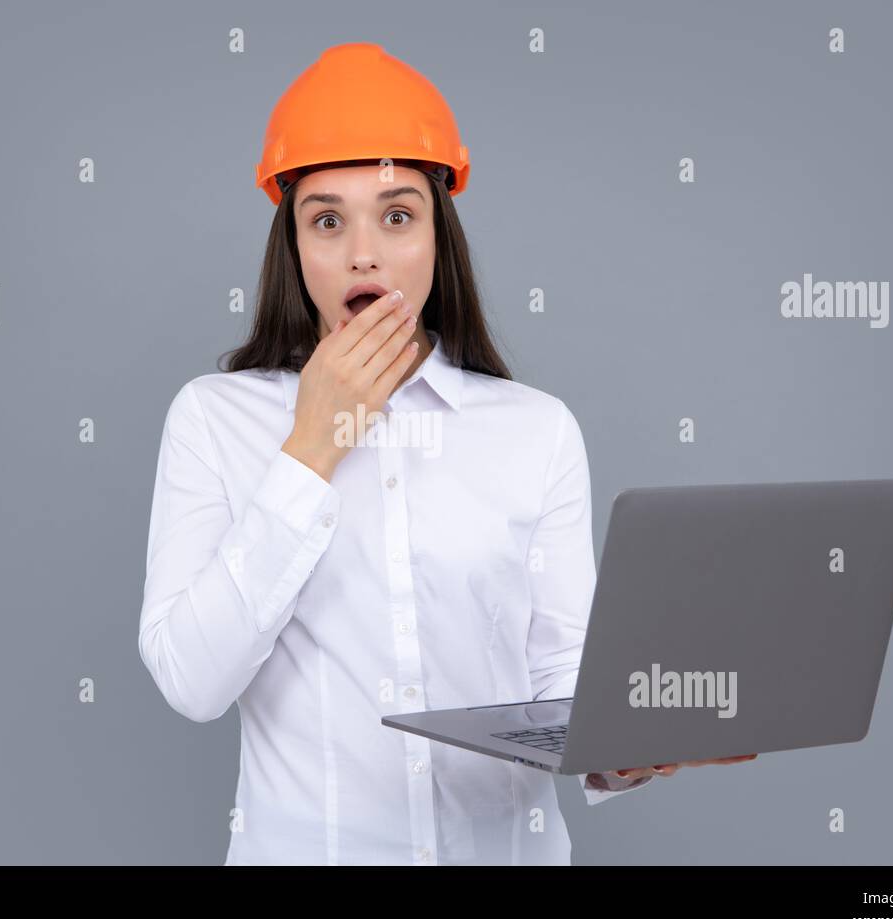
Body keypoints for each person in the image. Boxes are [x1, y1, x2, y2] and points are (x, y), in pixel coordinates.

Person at [138, 42, 754, 865]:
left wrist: (625, 749)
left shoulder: (535, 431)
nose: (364, 252)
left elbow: (562, 687)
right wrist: (311, 446)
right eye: (327, 219)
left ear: (438, 238)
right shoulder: (213, 420)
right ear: (292, 247)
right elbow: (191, 681)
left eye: (397, 215)